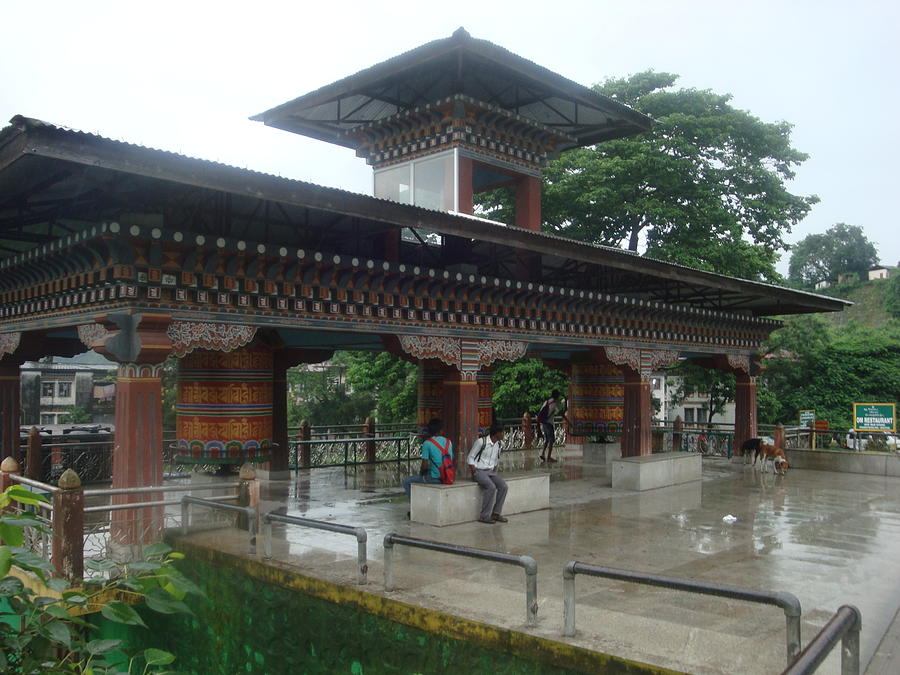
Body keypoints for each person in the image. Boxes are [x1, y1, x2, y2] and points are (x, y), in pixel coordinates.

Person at [466, 422, 508, 524]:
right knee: (491, 487)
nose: (503, 434)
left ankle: (496, 513)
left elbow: (495, 459)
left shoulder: (499, 445)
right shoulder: (481, 442)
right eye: (502, 432)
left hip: (490, 472)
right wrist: (474, 471)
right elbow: (470, 457)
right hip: (479, 471)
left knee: (503, 486)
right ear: (496, 433)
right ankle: (484, 516)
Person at [402, 418, 452, 497]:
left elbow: (424, 466)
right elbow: (450, 460)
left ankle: (413, 505)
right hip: (447, 476)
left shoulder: (427, 443)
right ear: (440, 430)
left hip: (434, 478)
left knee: (406, 481)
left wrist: (421, 474)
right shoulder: (448, 442)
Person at [537, 389, 569, 463]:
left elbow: (540, 413)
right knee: (551, 440)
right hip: (549, 423)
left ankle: (542, 453)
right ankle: (548, 457)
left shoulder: (547, 401)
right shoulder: (555, 403)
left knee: (547, 439)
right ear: (557, 396)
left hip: (544, 422)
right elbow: (561, 413)